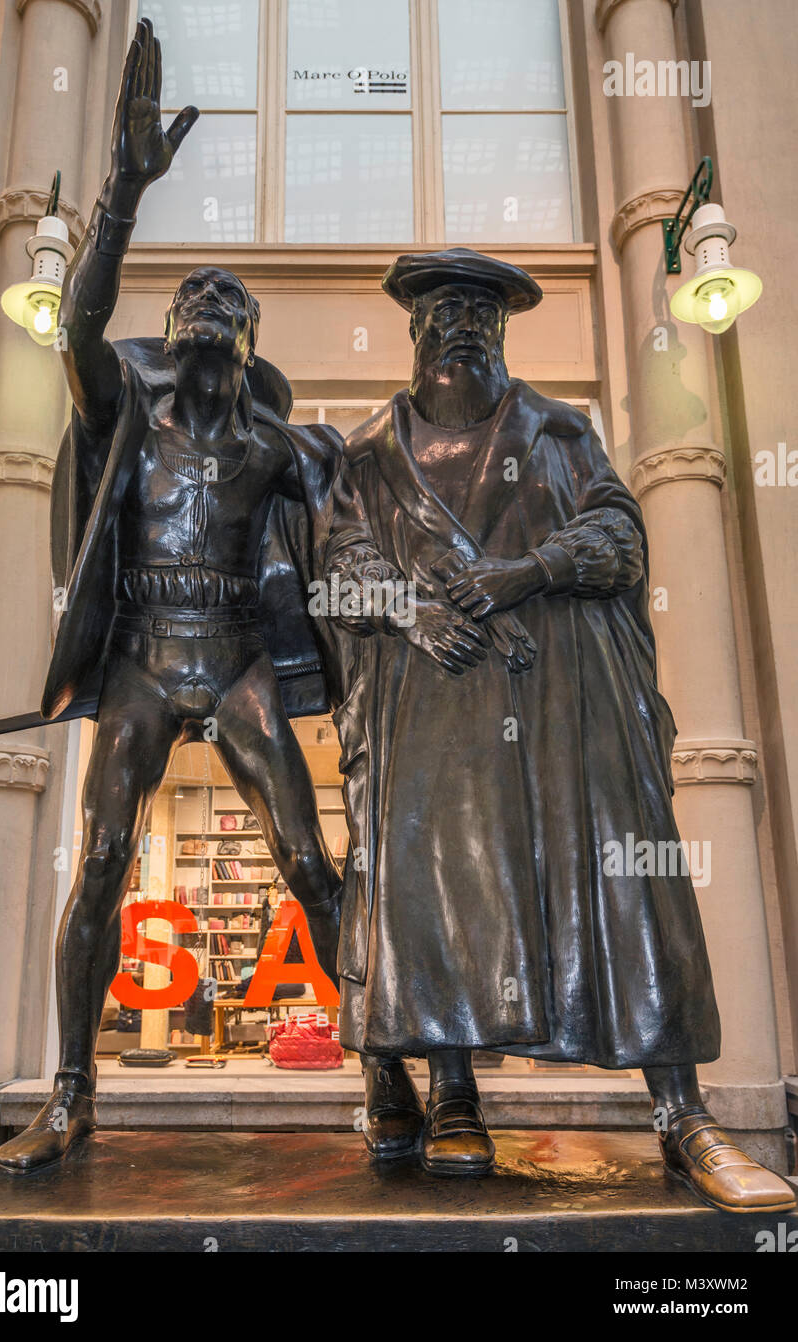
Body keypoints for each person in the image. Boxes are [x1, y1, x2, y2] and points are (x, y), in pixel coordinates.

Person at [322, 246, 796, 1212]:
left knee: (626, 892)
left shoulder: (559, 431)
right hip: (433, 703)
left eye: (480, 312)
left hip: (564, 703)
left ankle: (683, 1119)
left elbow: (619, 538)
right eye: (443, 309)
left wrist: (522, 573)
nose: (462, 323)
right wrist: (411, 611)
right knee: (436, 886)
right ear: (412, 328)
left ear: (501, 329)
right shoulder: (368, 452)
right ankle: (453, 1096)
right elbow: (337, 568)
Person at [0, 20, 342, 1174]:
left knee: (306, 858)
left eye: (218, 304)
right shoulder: (124, 414)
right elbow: (82, 326)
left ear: (241, 344)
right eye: (187, 300)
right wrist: (121, 194)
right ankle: (74, 1089)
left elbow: (355, 525)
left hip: (236, 653)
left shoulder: (274, 447)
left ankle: (386, 1067)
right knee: (102, 856)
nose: (198, 309)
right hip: (144, 651)